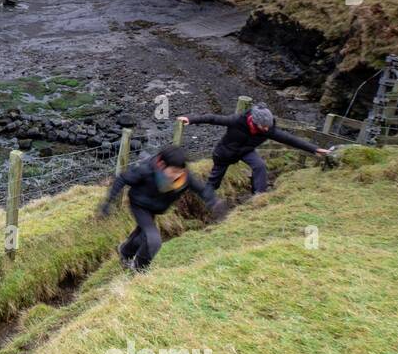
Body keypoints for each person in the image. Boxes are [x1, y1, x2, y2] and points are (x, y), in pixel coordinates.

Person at [97, 144, 222, 272]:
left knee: (143, 235)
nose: (177, 176)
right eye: (173, 172)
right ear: (162, 164)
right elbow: (122, 179)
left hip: (155, 207)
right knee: (153, 239)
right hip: (140, 205)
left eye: (180, 171)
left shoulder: (183, 176)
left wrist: (214, 202)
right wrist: (108, 203)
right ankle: (139, 270)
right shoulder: (145, 171)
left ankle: (125, 252)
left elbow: (201, 189)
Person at [178, 102, 331, 195]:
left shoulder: (268, 129)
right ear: (254, 121)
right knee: (213, 183)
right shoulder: (237, 121)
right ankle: (206, 197)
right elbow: (212, 118)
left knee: (260, 166)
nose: (266, 129)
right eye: (263, 126)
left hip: (245, 151)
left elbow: (290, 139)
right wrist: (190, 119)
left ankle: (259, 195)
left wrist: (314, 149)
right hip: (225, 154)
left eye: (268, 126)